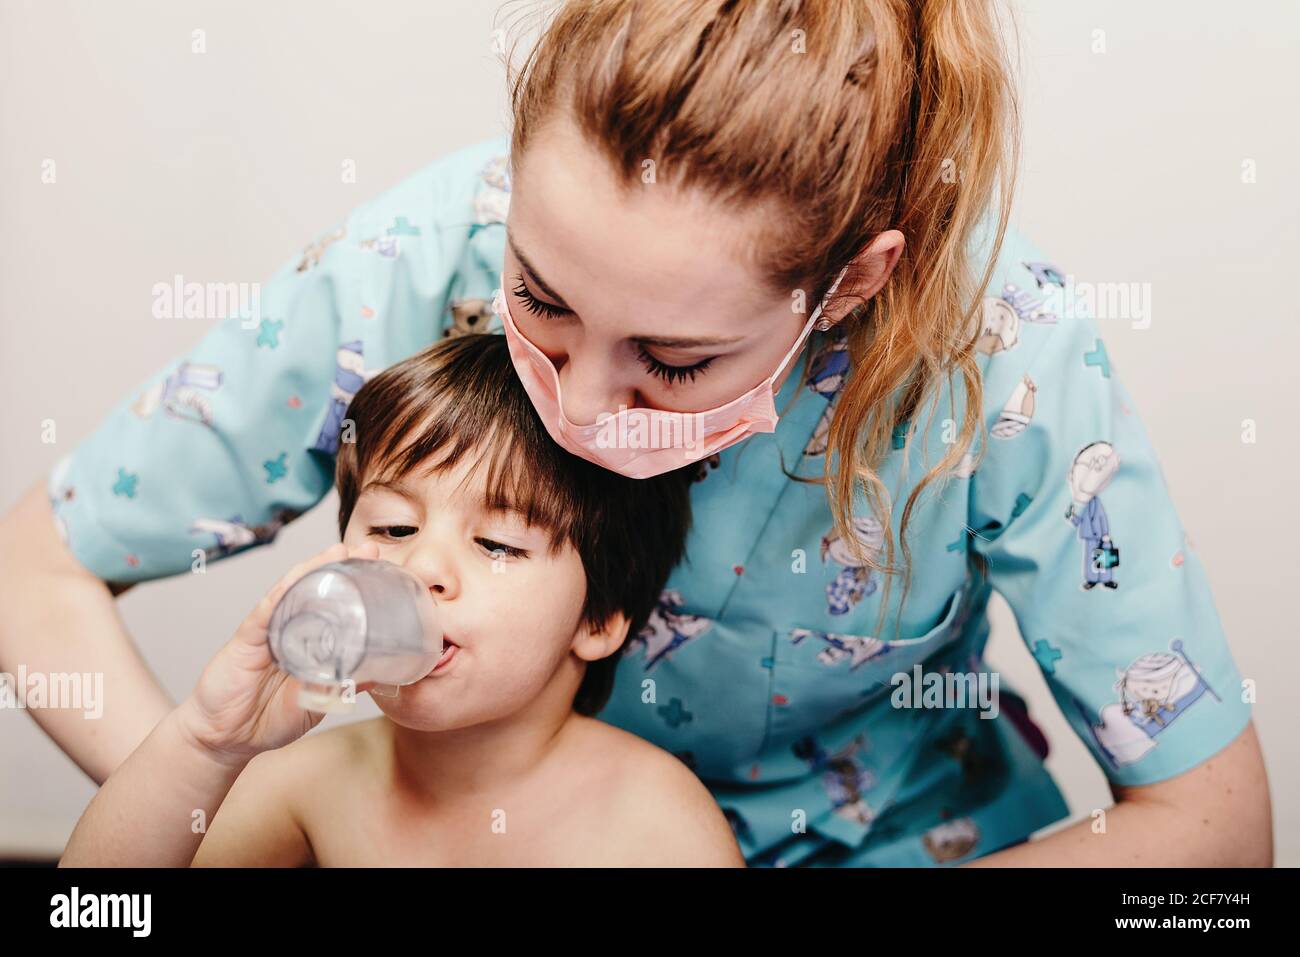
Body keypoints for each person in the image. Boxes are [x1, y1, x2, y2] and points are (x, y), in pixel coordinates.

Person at [0, 0, 1270, 866]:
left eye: (673, 361)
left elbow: (1208, 831)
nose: (583, 408)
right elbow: (36, 568)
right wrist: (201, 779)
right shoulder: (424, 252)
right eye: (539, 306)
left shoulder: (1004, 356)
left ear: (850, 286)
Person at [60, 334, 743, 866]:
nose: (420, 566)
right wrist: (206, 744)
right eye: (393, 528)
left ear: (597, 619)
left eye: (497, 543)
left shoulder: (651, 820)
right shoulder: (318, 781)